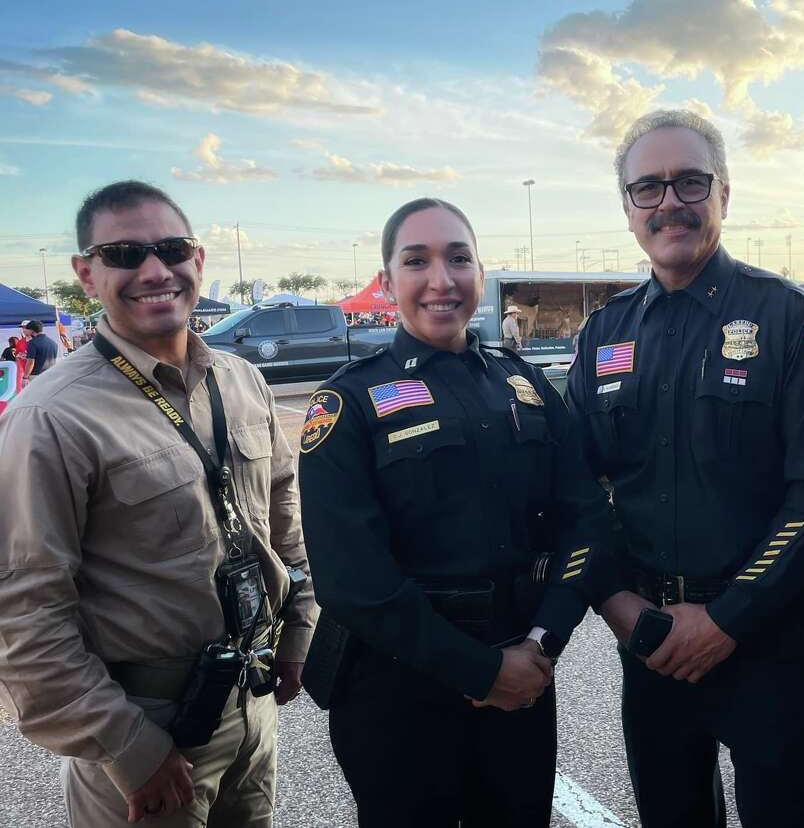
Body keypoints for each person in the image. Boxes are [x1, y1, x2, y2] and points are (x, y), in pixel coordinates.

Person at [0, 180, 317, 827]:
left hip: (250, 698)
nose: (153, 270)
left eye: (171, 249)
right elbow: (23, 612)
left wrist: (299, 629)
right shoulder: (53, 416)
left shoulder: (242, 381)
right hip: (143, 721)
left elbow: (284, 519)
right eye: (123, 254)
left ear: (198, 260)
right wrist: (128, 747)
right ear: (86, 274)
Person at [298, 198, 620, 827]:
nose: (441, 280)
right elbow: (350, 581)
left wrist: (543, 643)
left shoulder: (524, 385)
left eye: (458, 258)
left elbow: (587, 521)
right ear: (387, 281)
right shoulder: (348, 402)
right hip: (400, 694)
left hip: (523, 678)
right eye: (416, 261)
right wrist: (481, 672)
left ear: (480, 272)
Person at [568, 109, 804, 827]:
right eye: (648, 187)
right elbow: (573, 489)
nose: (669, 202)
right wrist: (617, 605)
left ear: (724, 191)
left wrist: (729, 618)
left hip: (765, 641)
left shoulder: (790, 318)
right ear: (628, 208)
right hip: (650, 643)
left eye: (690, 182)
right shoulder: (604, 333)